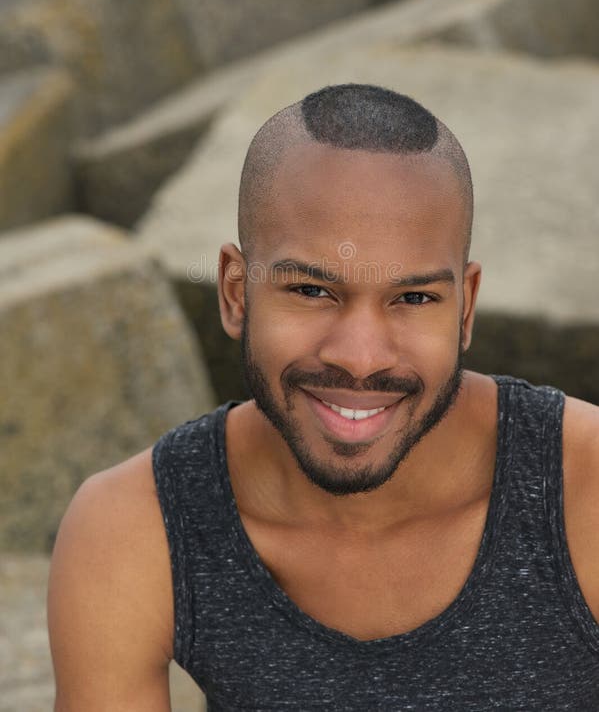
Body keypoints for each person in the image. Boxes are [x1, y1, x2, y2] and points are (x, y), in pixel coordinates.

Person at [48, 84, 599, 710]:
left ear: (465, 308)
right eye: (312, 291)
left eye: (413, 298)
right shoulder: (135, 525)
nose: (360, 357)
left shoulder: (585, 487)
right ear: (235, 292)